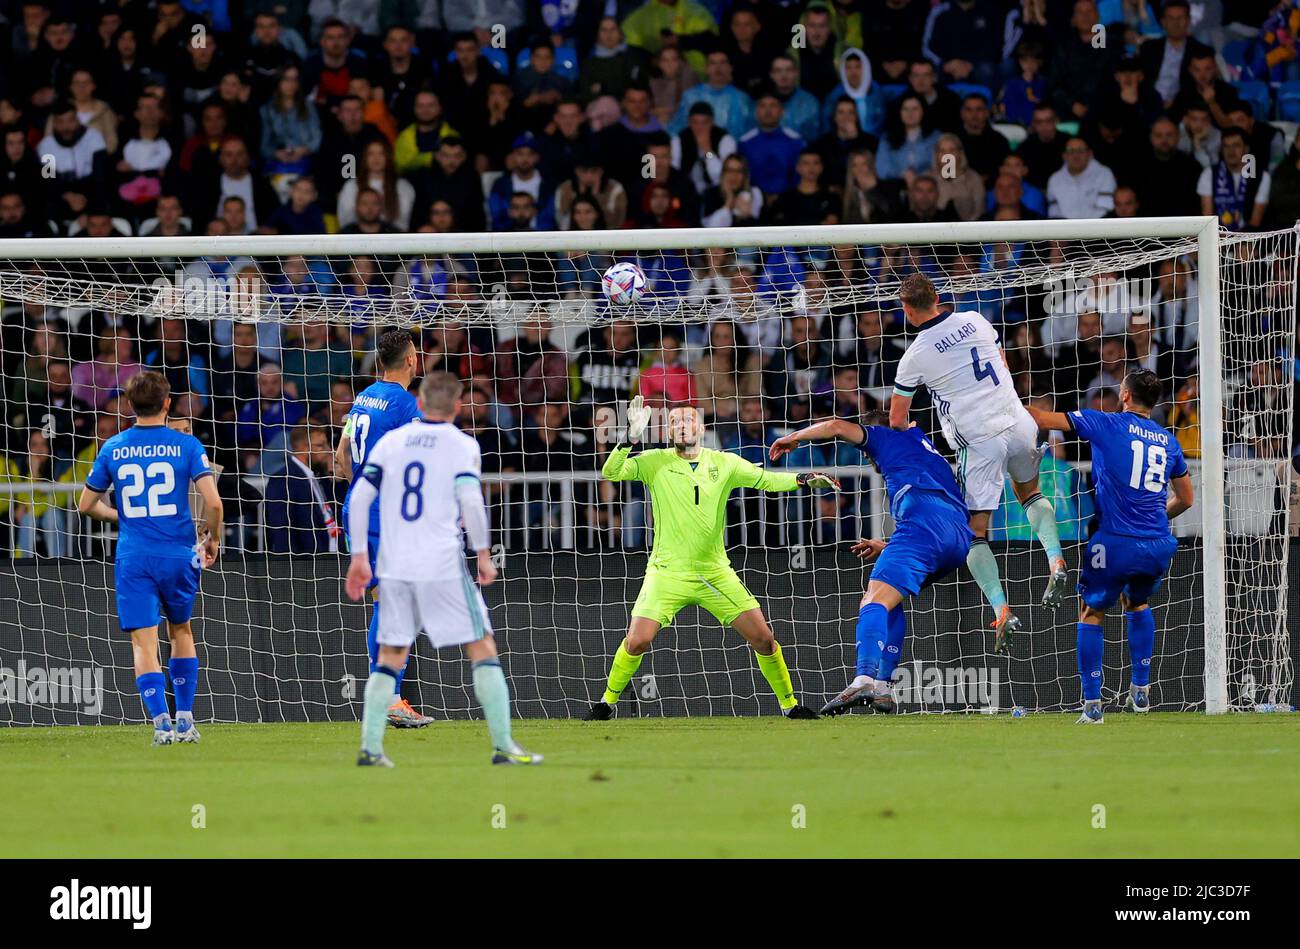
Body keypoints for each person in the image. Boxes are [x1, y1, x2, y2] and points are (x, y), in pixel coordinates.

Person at [584, 396, 838, 721]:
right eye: (675, 422)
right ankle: (606, 703)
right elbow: (612, 471)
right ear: (668, 431)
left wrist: (801, 479)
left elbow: (765, 480)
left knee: (764, 639)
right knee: (637, 641)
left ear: (702, 428)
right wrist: (630, 437)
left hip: (714, 573)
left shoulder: (725, 463)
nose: (682, 426)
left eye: (689, 420)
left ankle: (790, 705)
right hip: (667, 574)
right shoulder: (653, 461)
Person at [344, 372, 542, 768]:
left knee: (391, 653)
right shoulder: (462, 444)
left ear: (419, 402)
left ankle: (370, 749)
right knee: (482, 646)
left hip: (397, 560)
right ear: (456, 406)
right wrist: (484, 555)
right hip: (440, 562)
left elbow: (361, 495)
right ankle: (503, 745)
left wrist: (360, 557)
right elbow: (471, 501)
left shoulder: (391, 442)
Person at [889, 273, 1068, 654]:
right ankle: (1055, 561)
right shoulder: (975, 319)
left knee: (974, 532)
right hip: (1018, 420)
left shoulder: (914, 355)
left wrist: (914, 430)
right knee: (1030, 492)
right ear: (937, 296)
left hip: (980, 439)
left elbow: (896, 420)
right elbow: (1001, 362)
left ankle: (1002, 609)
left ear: (906, 310)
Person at [769, 410, 974, 714]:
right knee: (890, 600)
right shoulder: (922, 442)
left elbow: (837, 425)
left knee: (873, 602)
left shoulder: (884, 437)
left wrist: (793, 437)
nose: (869, 460)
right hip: (958, 539)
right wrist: (889, 546)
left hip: (921, 529)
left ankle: (864, 678)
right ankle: (883, 687)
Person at [1026, 370, 1195, 723]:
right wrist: (1154, 521)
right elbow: (1186, 499)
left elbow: (1040, 418)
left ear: (1126, 395)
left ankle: (1092, 704)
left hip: (1115, 540)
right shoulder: (1168, 440)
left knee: (1091, 613)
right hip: (1158, 543)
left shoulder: (1105, 423)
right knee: (1138, 602)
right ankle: (1141, 690)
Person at [76, 371, 222, 746]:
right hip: (178, 555)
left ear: (129, 405)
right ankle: (186, 720)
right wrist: (211, 538)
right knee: (182, 631)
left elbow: (86, 504)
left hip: (135, 556)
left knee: (144, 643)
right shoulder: (185, 445)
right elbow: (214, 501)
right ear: (168, 403)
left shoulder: (113, 447)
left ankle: (161, 725)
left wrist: (121, 515)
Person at [334, 329, 428, 729]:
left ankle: (386, 695)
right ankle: (388, 697)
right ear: (410, 361)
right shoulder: (405, 405)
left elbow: (340, 458)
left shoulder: (363, 396)